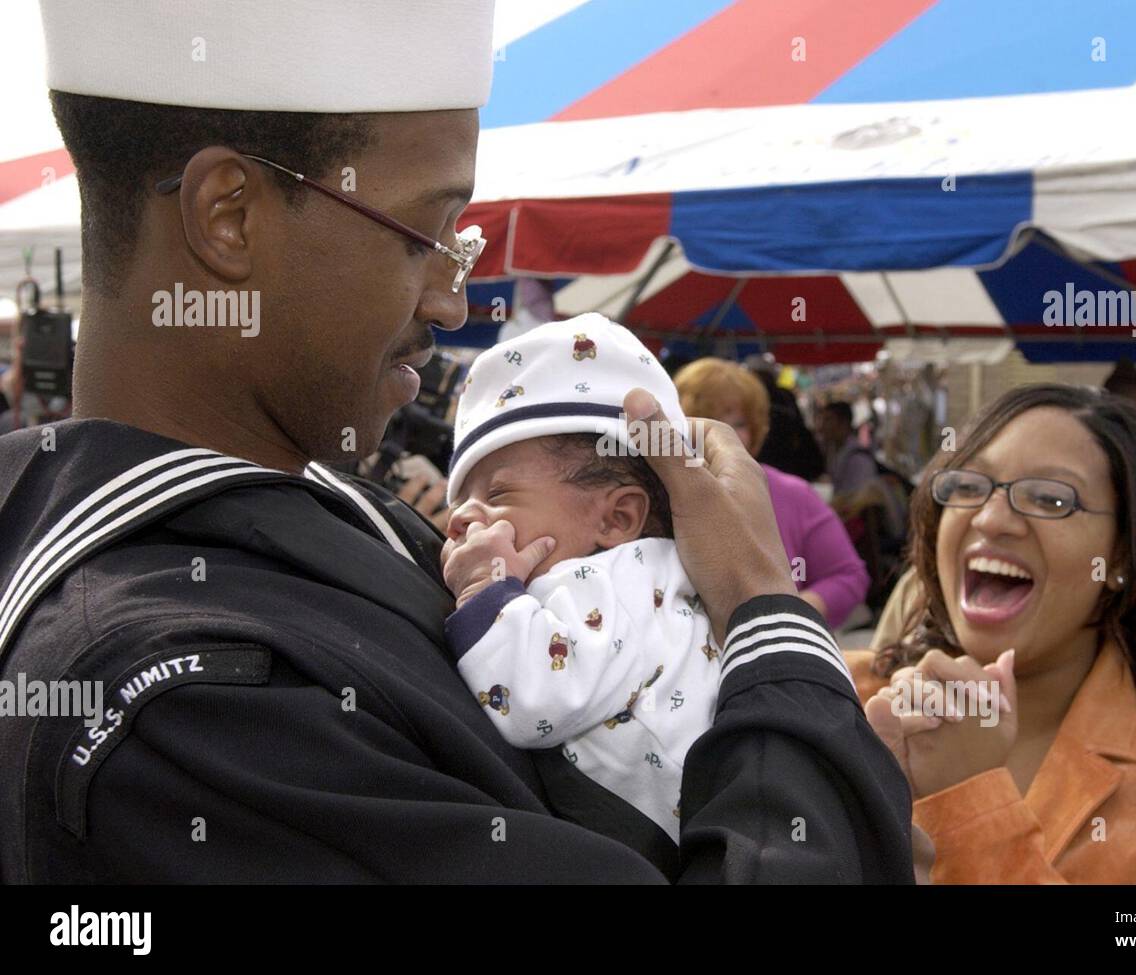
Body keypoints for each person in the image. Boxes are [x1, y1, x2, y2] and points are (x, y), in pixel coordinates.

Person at [0, 0, 913, 884]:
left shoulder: (316, 521)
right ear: (229, 216)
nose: (452, 301)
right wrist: (768, 619)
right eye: (426, 235)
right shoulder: (186, 710)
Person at [858, 384, 1136, 883]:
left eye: (1051, 498)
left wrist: (970, 804)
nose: (992, 519)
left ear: (1122, 555)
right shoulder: (839, 699)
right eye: (969, 486)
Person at [440, 317, 806, 866]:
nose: (464, 516)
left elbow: (538, 700)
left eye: (498, 492)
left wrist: (481, 593)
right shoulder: (657, 576)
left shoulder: (607, 578)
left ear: (617, 518)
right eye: (460, 497)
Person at [674, 358, 868, 629]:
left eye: (738, 423)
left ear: (757, 429)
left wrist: (787, 618)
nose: (724, 435)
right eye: (710, 422)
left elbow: (847, 576)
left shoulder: (793, 494)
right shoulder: (659, 496)